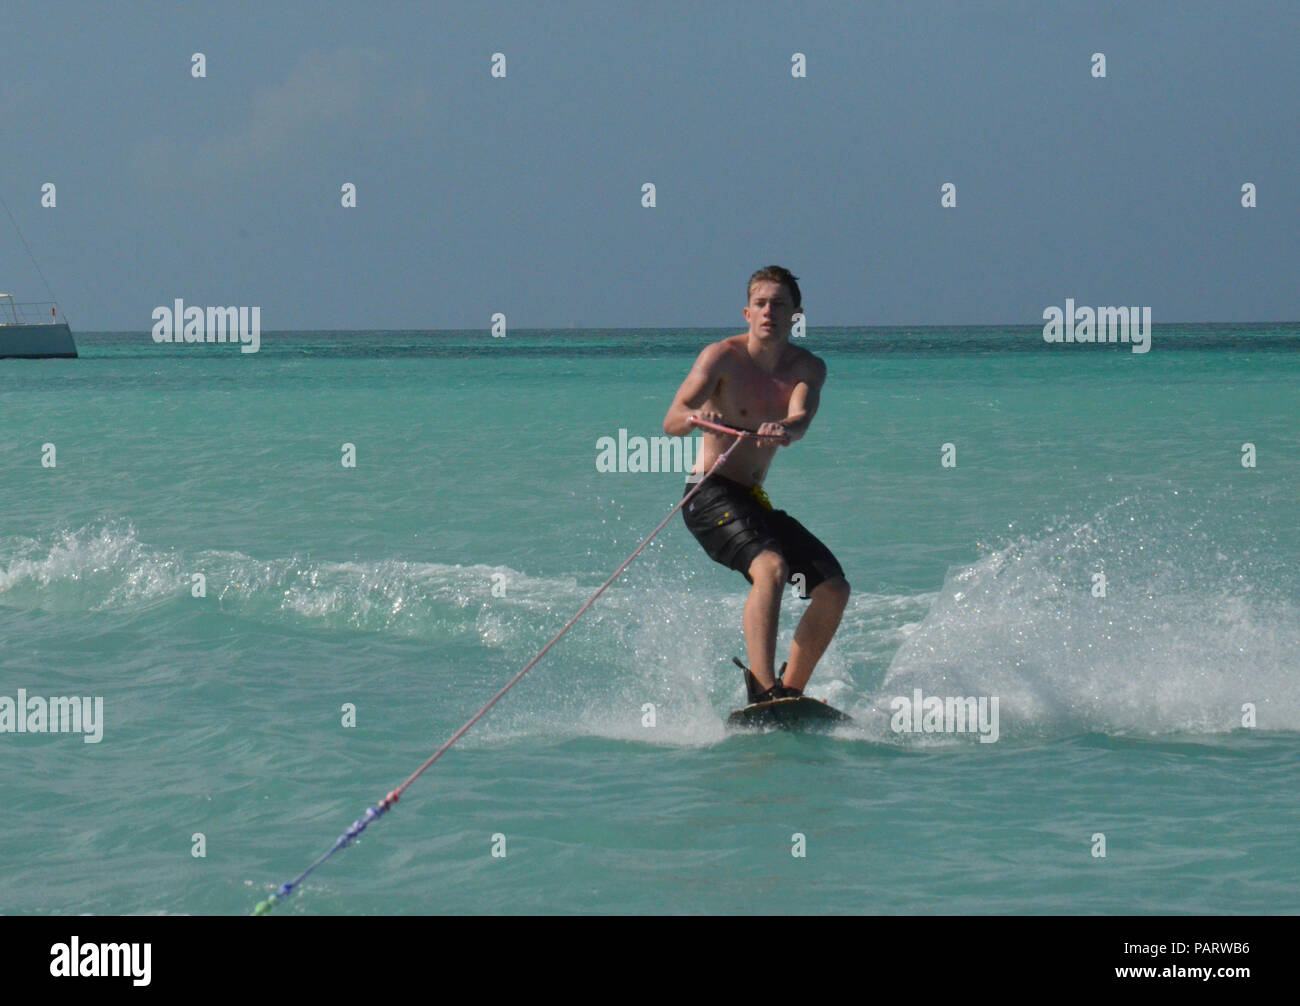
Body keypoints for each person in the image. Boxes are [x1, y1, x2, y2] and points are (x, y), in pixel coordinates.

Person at [663, 265, 850, 703]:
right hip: (706, 494)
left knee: (832, 589)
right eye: (761, 304)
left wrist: (786, 428)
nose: (769, 311)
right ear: (747, 312)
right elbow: (671, 419)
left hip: (752, 500)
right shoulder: (721, 358)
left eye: (779, 304)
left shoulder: (807, 368)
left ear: (795, 315)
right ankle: (762, 690)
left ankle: (791, 693)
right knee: (770, 568)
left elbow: (801, 417)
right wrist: (694, 418)